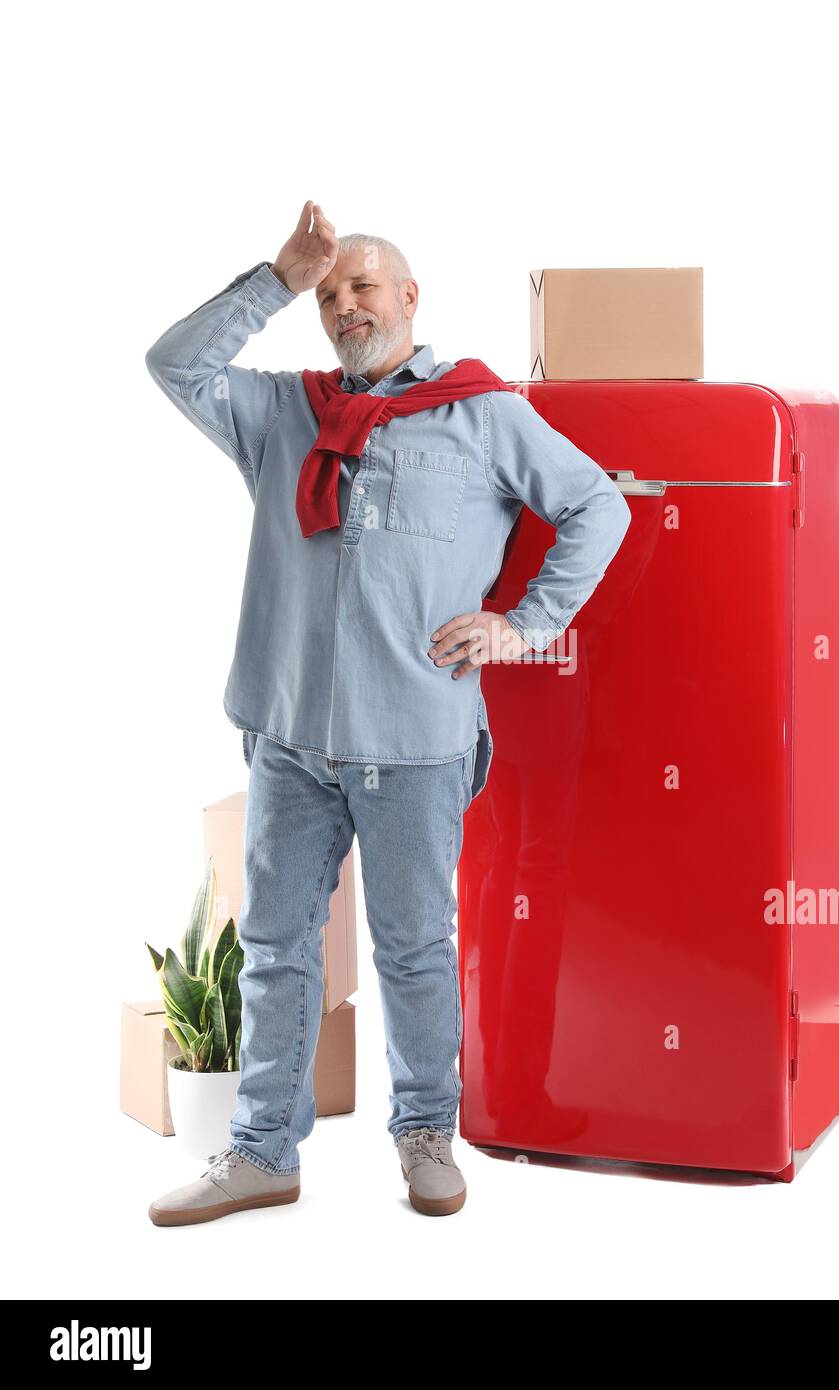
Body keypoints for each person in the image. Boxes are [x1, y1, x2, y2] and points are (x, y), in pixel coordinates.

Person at [143, 201, 632, 1223]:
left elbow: (598, 502)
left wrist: (522, 623)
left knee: (412, 947)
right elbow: (174, 364)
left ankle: (423, 1134)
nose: (344, 304)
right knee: (275, 948)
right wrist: (275, 278)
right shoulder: (285, 413)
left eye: (362, 285)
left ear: (410, 298)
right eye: (328, 294)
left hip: (412, 740)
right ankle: (261, 1151)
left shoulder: (482, 412)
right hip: (287, 736)